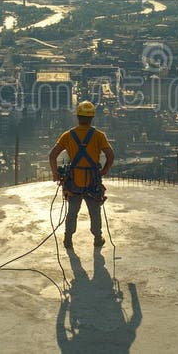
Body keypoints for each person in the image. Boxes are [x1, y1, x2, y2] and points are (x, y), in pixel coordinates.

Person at [48, 100, 114, 249]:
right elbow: (110, 155)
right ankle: (97, 238)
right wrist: (104, 170)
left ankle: (68, 239)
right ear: (92, 118)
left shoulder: (68, 136)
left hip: (74, 182)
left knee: (72, 212)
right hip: (92, 182)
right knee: (95, 212)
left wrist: (55, 174)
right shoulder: (99, 136)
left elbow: (52, 156)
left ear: (77, 117)